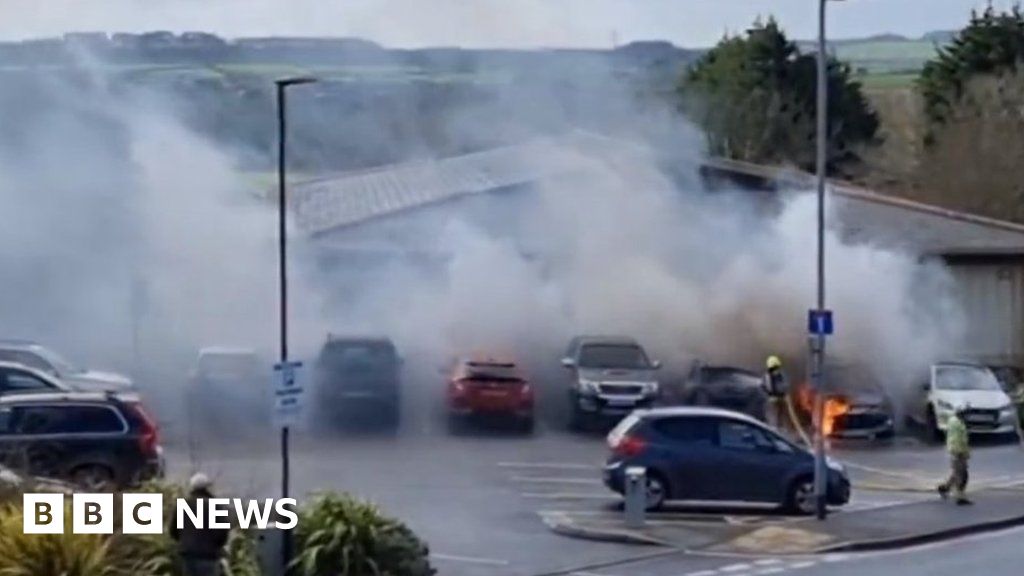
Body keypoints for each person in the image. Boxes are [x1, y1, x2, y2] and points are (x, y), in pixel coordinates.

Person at [171, 473, 230, 576]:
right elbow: (222, 533)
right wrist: (217, 546)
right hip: (208, 556)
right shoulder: (215, 505)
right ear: (207, 488)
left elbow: (173, 531)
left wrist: (185, 542)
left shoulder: (182, 505)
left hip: (188, 555)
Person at [937, 405, 972, 506]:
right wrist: (961, 452)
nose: (967, 416)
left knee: (956, 473)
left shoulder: (955, 422)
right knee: (962, 475)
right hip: (958, 452)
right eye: (965, 413)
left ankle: (944, 488)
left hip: (957, 451)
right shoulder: (957, 424)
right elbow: (958, 439)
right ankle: (960, 497)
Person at [763, 355, 789, 429]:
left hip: (780, 400)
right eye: (775, 368)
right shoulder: (768, 377)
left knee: (780, 420)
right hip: (773, 401)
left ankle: (779, 433)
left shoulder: (780, 375)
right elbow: (770, 389)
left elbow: (785, 385)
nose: (777, 370)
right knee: (774, 420)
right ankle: (774, 433)